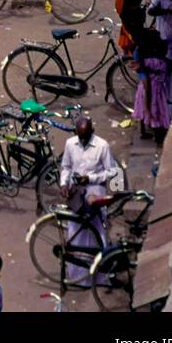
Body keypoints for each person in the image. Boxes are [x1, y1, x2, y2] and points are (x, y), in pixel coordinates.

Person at [58, 115, 120, 282]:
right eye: (80, 137)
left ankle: (99, 275)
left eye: (85, 137)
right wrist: (64, 184)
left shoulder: (102, 146)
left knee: (97, 233)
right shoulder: (70, 144)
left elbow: (112, 172)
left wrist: (91, 178)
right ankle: (78, 275)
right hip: (76, 195)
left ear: (92, 132)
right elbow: (66, 167)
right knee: (75, 233)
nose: (83, 141)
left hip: (94, 193)